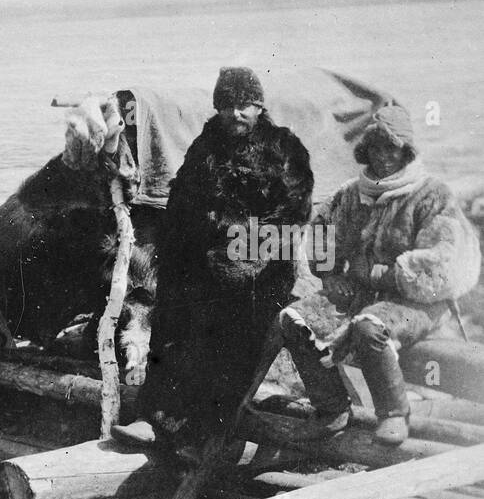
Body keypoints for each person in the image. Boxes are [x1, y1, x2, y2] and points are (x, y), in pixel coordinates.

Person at [122, 67, 314, 464]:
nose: (235, 114)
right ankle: (153, 417)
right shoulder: (205, 145)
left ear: (259, 106)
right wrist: (178, 255)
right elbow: (180, 203)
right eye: (226, 105)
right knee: (172, 310)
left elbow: (292, 215)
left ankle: (206, 431)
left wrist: (237, 249)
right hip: (207, 265)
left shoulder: (284, 149)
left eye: (244, 105)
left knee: (229, 323)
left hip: (260, 269)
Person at [277, 103, 481, 445]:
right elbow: (323, 232)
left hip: (414, 302)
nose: (384, 156)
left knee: (369, 328)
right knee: (294, 319)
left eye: (392, 147)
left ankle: (393, 413)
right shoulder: (351, 193)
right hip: (360, 293)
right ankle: (331, 407)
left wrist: (388, 274)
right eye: (376, 147)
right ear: (365, 149)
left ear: (406, 150)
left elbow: (446, 259)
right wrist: (329, 275)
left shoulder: (431, 194)